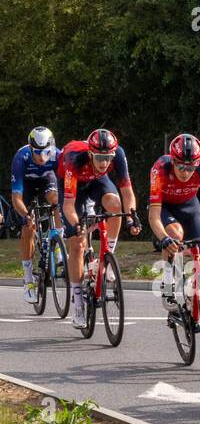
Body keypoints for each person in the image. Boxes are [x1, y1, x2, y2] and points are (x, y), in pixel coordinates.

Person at [59, 128, 140, 329]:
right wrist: (76, 224)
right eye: (99, 157)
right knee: (77, 243)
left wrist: (132, 216)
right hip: (73, 185)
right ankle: (77, 303)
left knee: (114, 205)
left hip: (96, 181)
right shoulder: (74, 159)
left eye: (108, 158)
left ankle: (108, 258)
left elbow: (127, 191)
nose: (104, 163)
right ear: (90, 153)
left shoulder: (118, 154)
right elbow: (68, 205)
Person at [148, 133, 200, 326]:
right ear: (172, 160)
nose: (185, 172)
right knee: (175, 234)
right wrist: (163, 238)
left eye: (190, 167)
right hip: (165, 208)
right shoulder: (160, 169)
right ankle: (169, 281)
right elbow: (153, 215)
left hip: (190, 206)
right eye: (180, 166)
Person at [11, 126, 61, 304]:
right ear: (30, 148)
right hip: (27, 184)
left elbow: (66, 186)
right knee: (28, 227)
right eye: (37, 152)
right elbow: (16, 197)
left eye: (46, 152)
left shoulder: (58, 155)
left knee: (57, 200)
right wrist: (25, 215)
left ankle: (58, 244)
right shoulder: (21, 157)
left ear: (52, 147)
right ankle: (28, 280)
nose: (41, 157)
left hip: (48, 178)